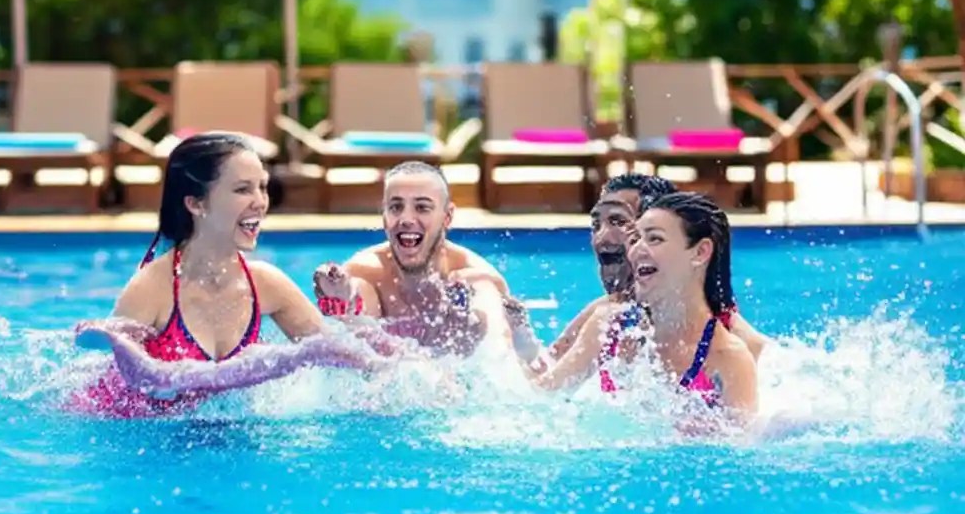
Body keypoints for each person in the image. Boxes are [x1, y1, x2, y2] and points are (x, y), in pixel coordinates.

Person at [70, 132, 388, 418]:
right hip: (136, 442)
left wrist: (346, 310)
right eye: (242, 189)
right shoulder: (153, 288)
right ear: (196, 203)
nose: (260, 202)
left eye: (262, 187)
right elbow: (131, 376)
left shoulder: (265, 283)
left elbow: (343, 356)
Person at [532, 192, 758, 427]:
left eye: (654, 239)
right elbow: (542, 399)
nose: (636, 250)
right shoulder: (610, 327)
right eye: (636, 238)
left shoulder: (728, 358)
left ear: (700, 252)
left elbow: (742, 446)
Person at [544, 173, 769, 364]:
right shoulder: (605, 316)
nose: (601, 238)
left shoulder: (730, 341)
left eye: (619, 221)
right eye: (596, 225)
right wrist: (516, 331)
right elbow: (544, 377)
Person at [311, 161, 529, 358]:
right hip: (397, 376)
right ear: (384, 216)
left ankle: (475, 331)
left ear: (447, 217)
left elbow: (523, 367)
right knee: (356, 296)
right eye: (396, 207)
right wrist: (346, 304)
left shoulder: (478, 276)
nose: (406, 219)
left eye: (422, 207)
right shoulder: (364, 273)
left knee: (481, 292)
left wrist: (503, 332)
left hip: (465, 382)